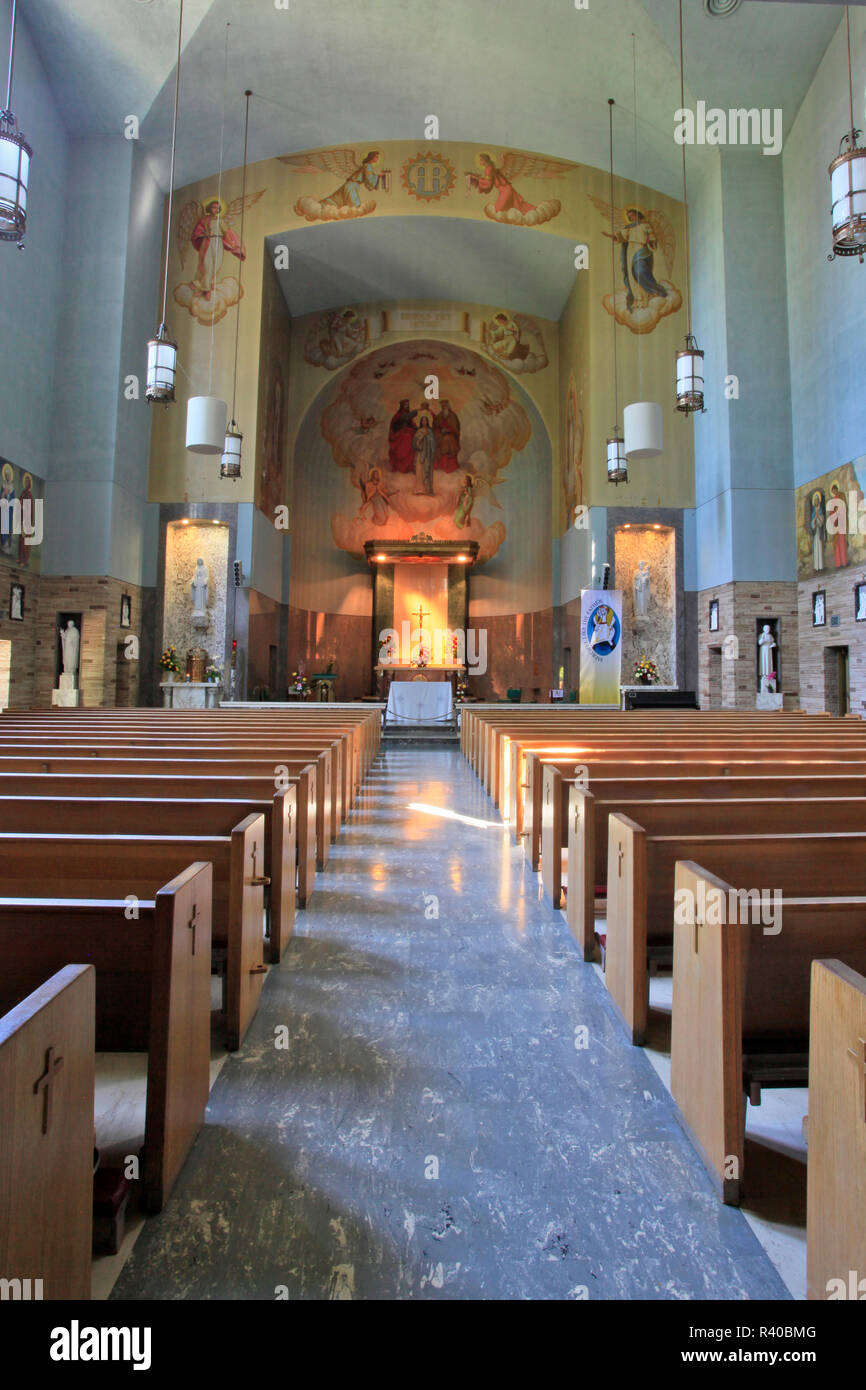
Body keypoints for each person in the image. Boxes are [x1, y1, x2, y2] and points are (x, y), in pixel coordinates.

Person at [388, 399, 416, 473]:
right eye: (405, 405)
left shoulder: (408, 414)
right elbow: (396, 424)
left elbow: (412, 424)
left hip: (408, 432)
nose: (406, 406)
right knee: (406, 437)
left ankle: (409, 466)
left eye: (407, 405)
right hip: (400, 434)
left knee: (412, 438)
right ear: (402, 406)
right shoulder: (398, 415)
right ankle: (401, 466)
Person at [433, 399, 460, 473]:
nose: (443, 407)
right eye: (442, 406)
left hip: (451, 435)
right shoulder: (440, 415)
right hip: (441, 435)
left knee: (447, 440)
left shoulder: (453, 416)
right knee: (439, 440)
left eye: (445, 406)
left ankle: (449, 467)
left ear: (448, 406)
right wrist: (440, 431)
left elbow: (456, 429)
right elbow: (435, 425)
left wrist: (448, 430)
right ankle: (440, 465)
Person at [412, 414, 436, 496]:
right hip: (420, 453)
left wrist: (428, 437)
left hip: (428, 454)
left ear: (427, 422)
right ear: (421, 422)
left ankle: (428, 490)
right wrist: (422, 436)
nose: (424, 422)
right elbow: (414, 443)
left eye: (426, 420)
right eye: (423, 420)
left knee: (428, 470)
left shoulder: (430, 431)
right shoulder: (418, 431)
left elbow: (433, 443)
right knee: (419, 471)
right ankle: (420, 489)